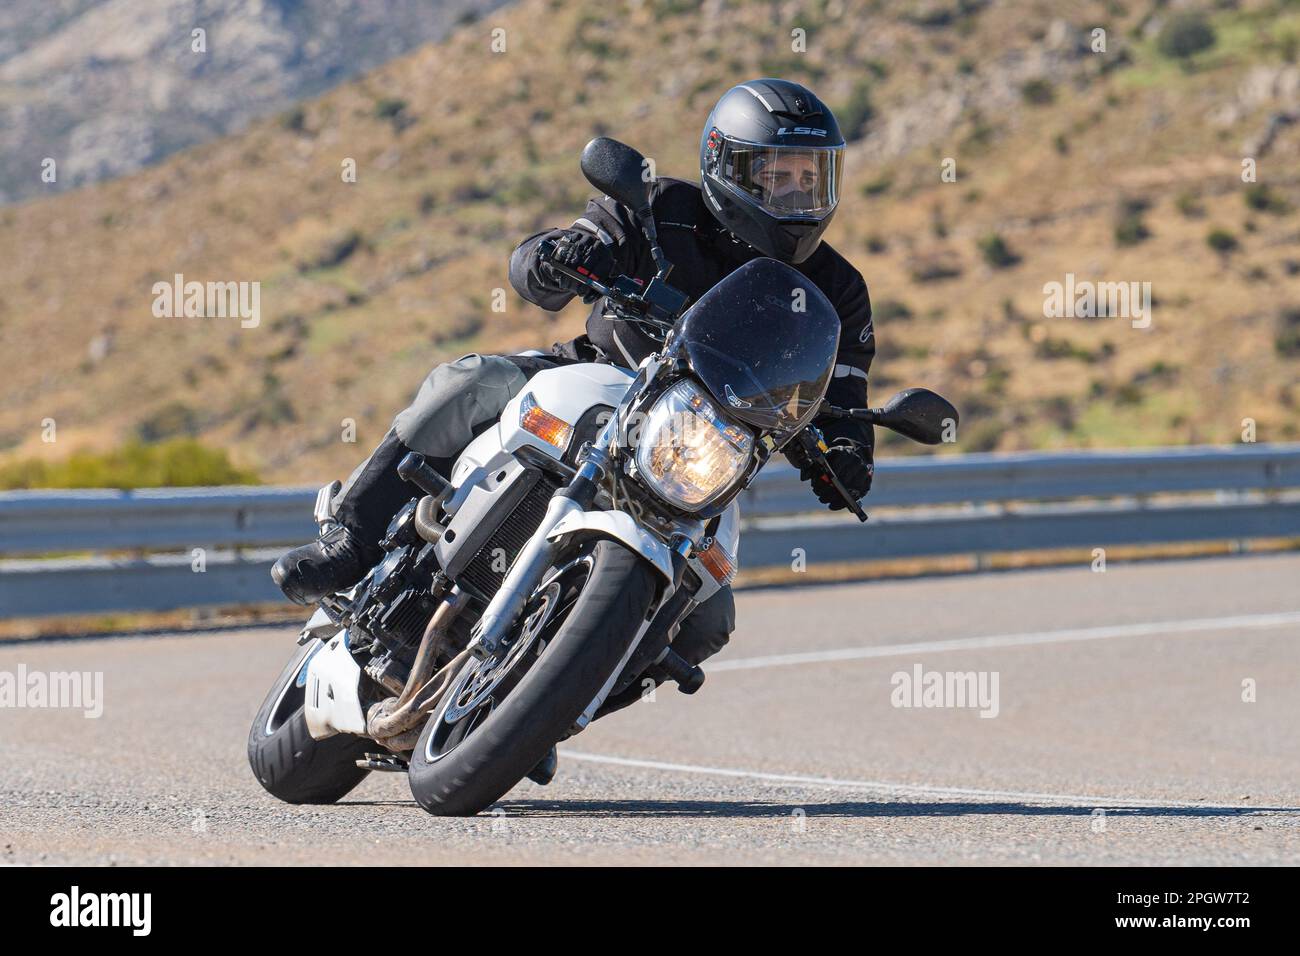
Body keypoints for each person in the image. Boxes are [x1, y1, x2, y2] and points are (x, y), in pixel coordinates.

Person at [271, 78, 876, 749]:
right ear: (724, 166)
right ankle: (352, 540)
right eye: (774, 176)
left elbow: (843, 395)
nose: (795, 194)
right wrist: (559, 257)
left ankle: (530, 715)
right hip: (599, 376)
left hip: (702, 446)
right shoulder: (660, 207)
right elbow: (544, 260)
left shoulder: (838, 288)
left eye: (808, 177)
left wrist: (846, 454)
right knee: (466, 380)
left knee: (709, 619)